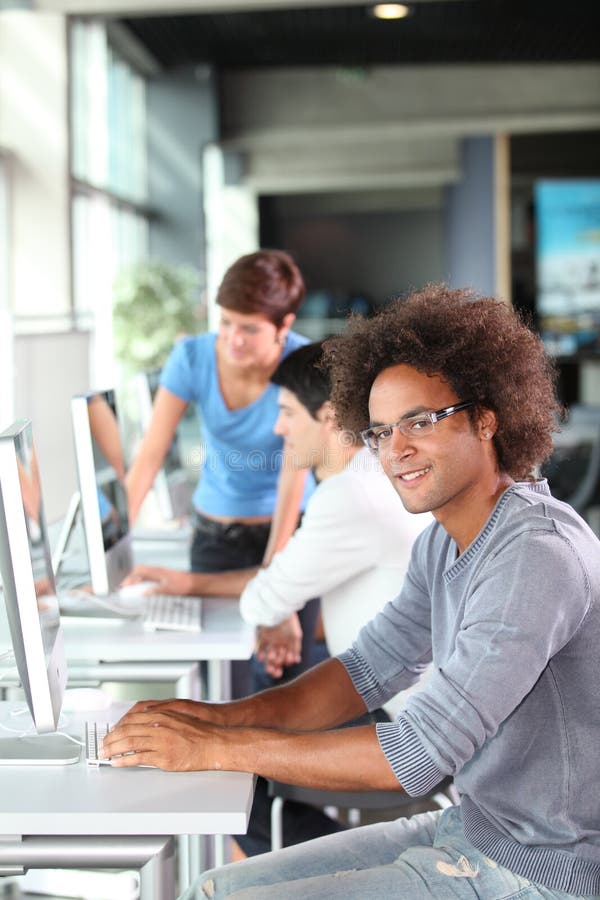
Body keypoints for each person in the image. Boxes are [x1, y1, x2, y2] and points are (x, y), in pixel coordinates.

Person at [101, 284, 600, 900]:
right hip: (472, 829)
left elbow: (419, 753)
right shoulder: (444, 541)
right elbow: (365, 671)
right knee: (214, 888)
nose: (397, 450)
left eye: (420, 422)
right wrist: (215, 718)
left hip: (539, 869)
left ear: (487, 418)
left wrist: (218, 746)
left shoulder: (534, 554)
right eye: (381, 432)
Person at [124, 340, 431, 856]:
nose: (278, 429)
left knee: (224, 769)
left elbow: (262, 599)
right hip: (388, 688)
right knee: (239, 716)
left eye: (287, 413)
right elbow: (278, 587)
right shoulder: (368, 480)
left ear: (329, 418)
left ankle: (363, 868)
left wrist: (276, 608)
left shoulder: (351, 495)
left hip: (399, 717)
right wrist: (201, 586)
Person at [125, 249, 312, 695]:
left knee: (288, 685)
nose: (232, 339)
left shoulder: (305, 365)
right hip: (214, 539)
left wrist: (275, 584)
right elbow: (150, 455)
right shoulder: (192, 358)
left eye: (249, 327)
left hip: (288, 538)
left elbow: (294, 474)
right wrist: (108, 547)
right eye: (225, 322)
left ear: (283, 326)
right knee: (221, 690)